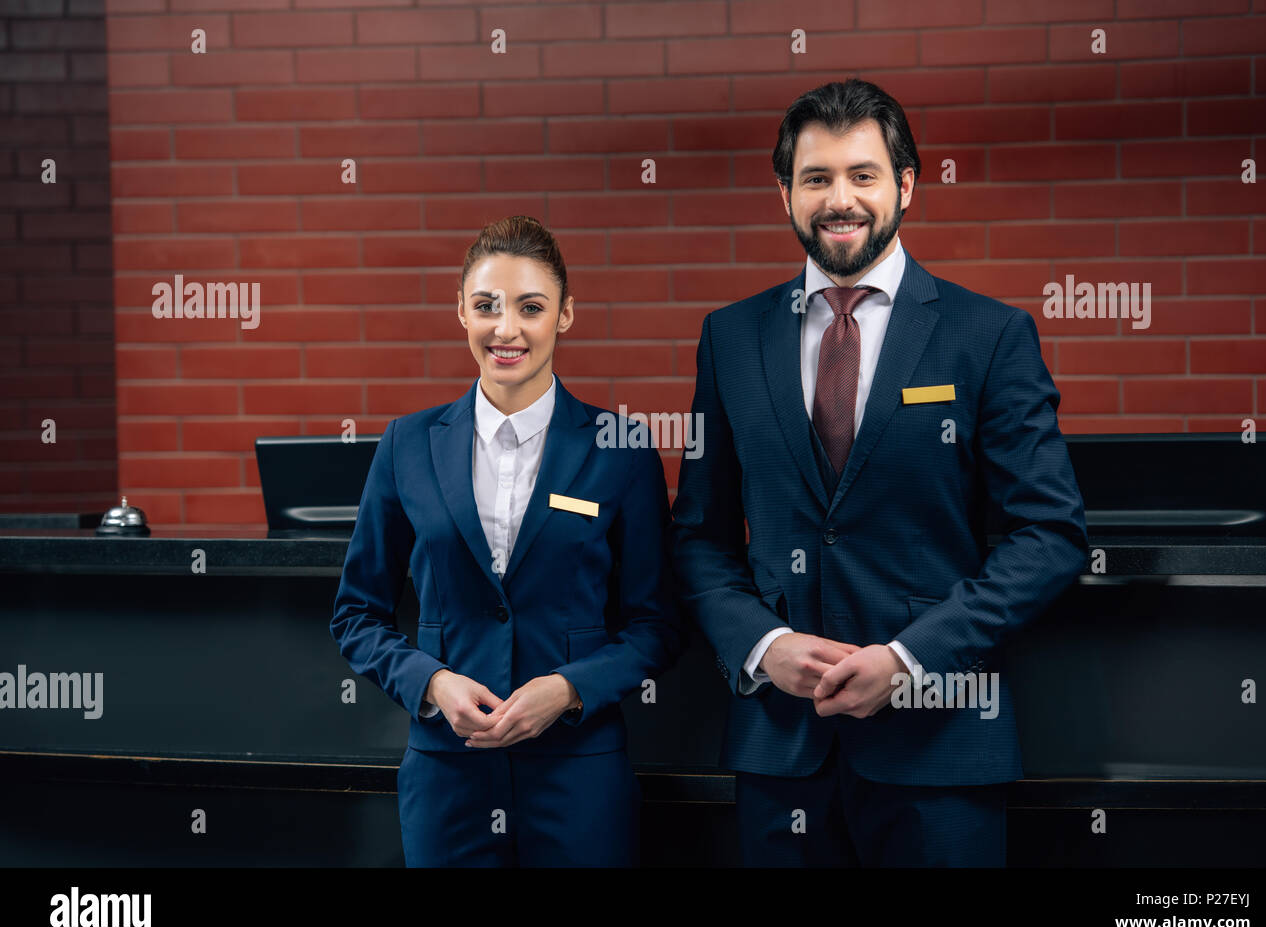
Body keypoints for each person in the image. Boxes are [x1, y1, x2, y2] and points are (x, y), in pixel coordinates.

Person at [668, 78, 1089, 867]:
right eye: (816, 177)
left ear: (905, 186)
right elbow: (699, 538)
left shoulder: (988, 336)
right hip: (780, 754)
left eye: (863, 175)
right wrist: (763, 644)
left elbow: (1051, 537)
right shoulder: (729, 338)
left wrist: (908, 658)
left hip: (940, 746)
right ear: (784, 193)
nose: (840, 199)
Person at [330, 215, 680, 866]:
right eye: (487, 305)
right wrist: (431, 683)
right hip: (447, 779)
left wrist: (568, 688)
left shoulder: (622, 448)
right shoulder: (406, 444)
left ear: (565, 315)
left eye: (531, 306)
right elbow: (356, 613)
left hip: (579, 777)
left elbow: (656, 624)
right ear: (461, 311)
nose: (506, 328)